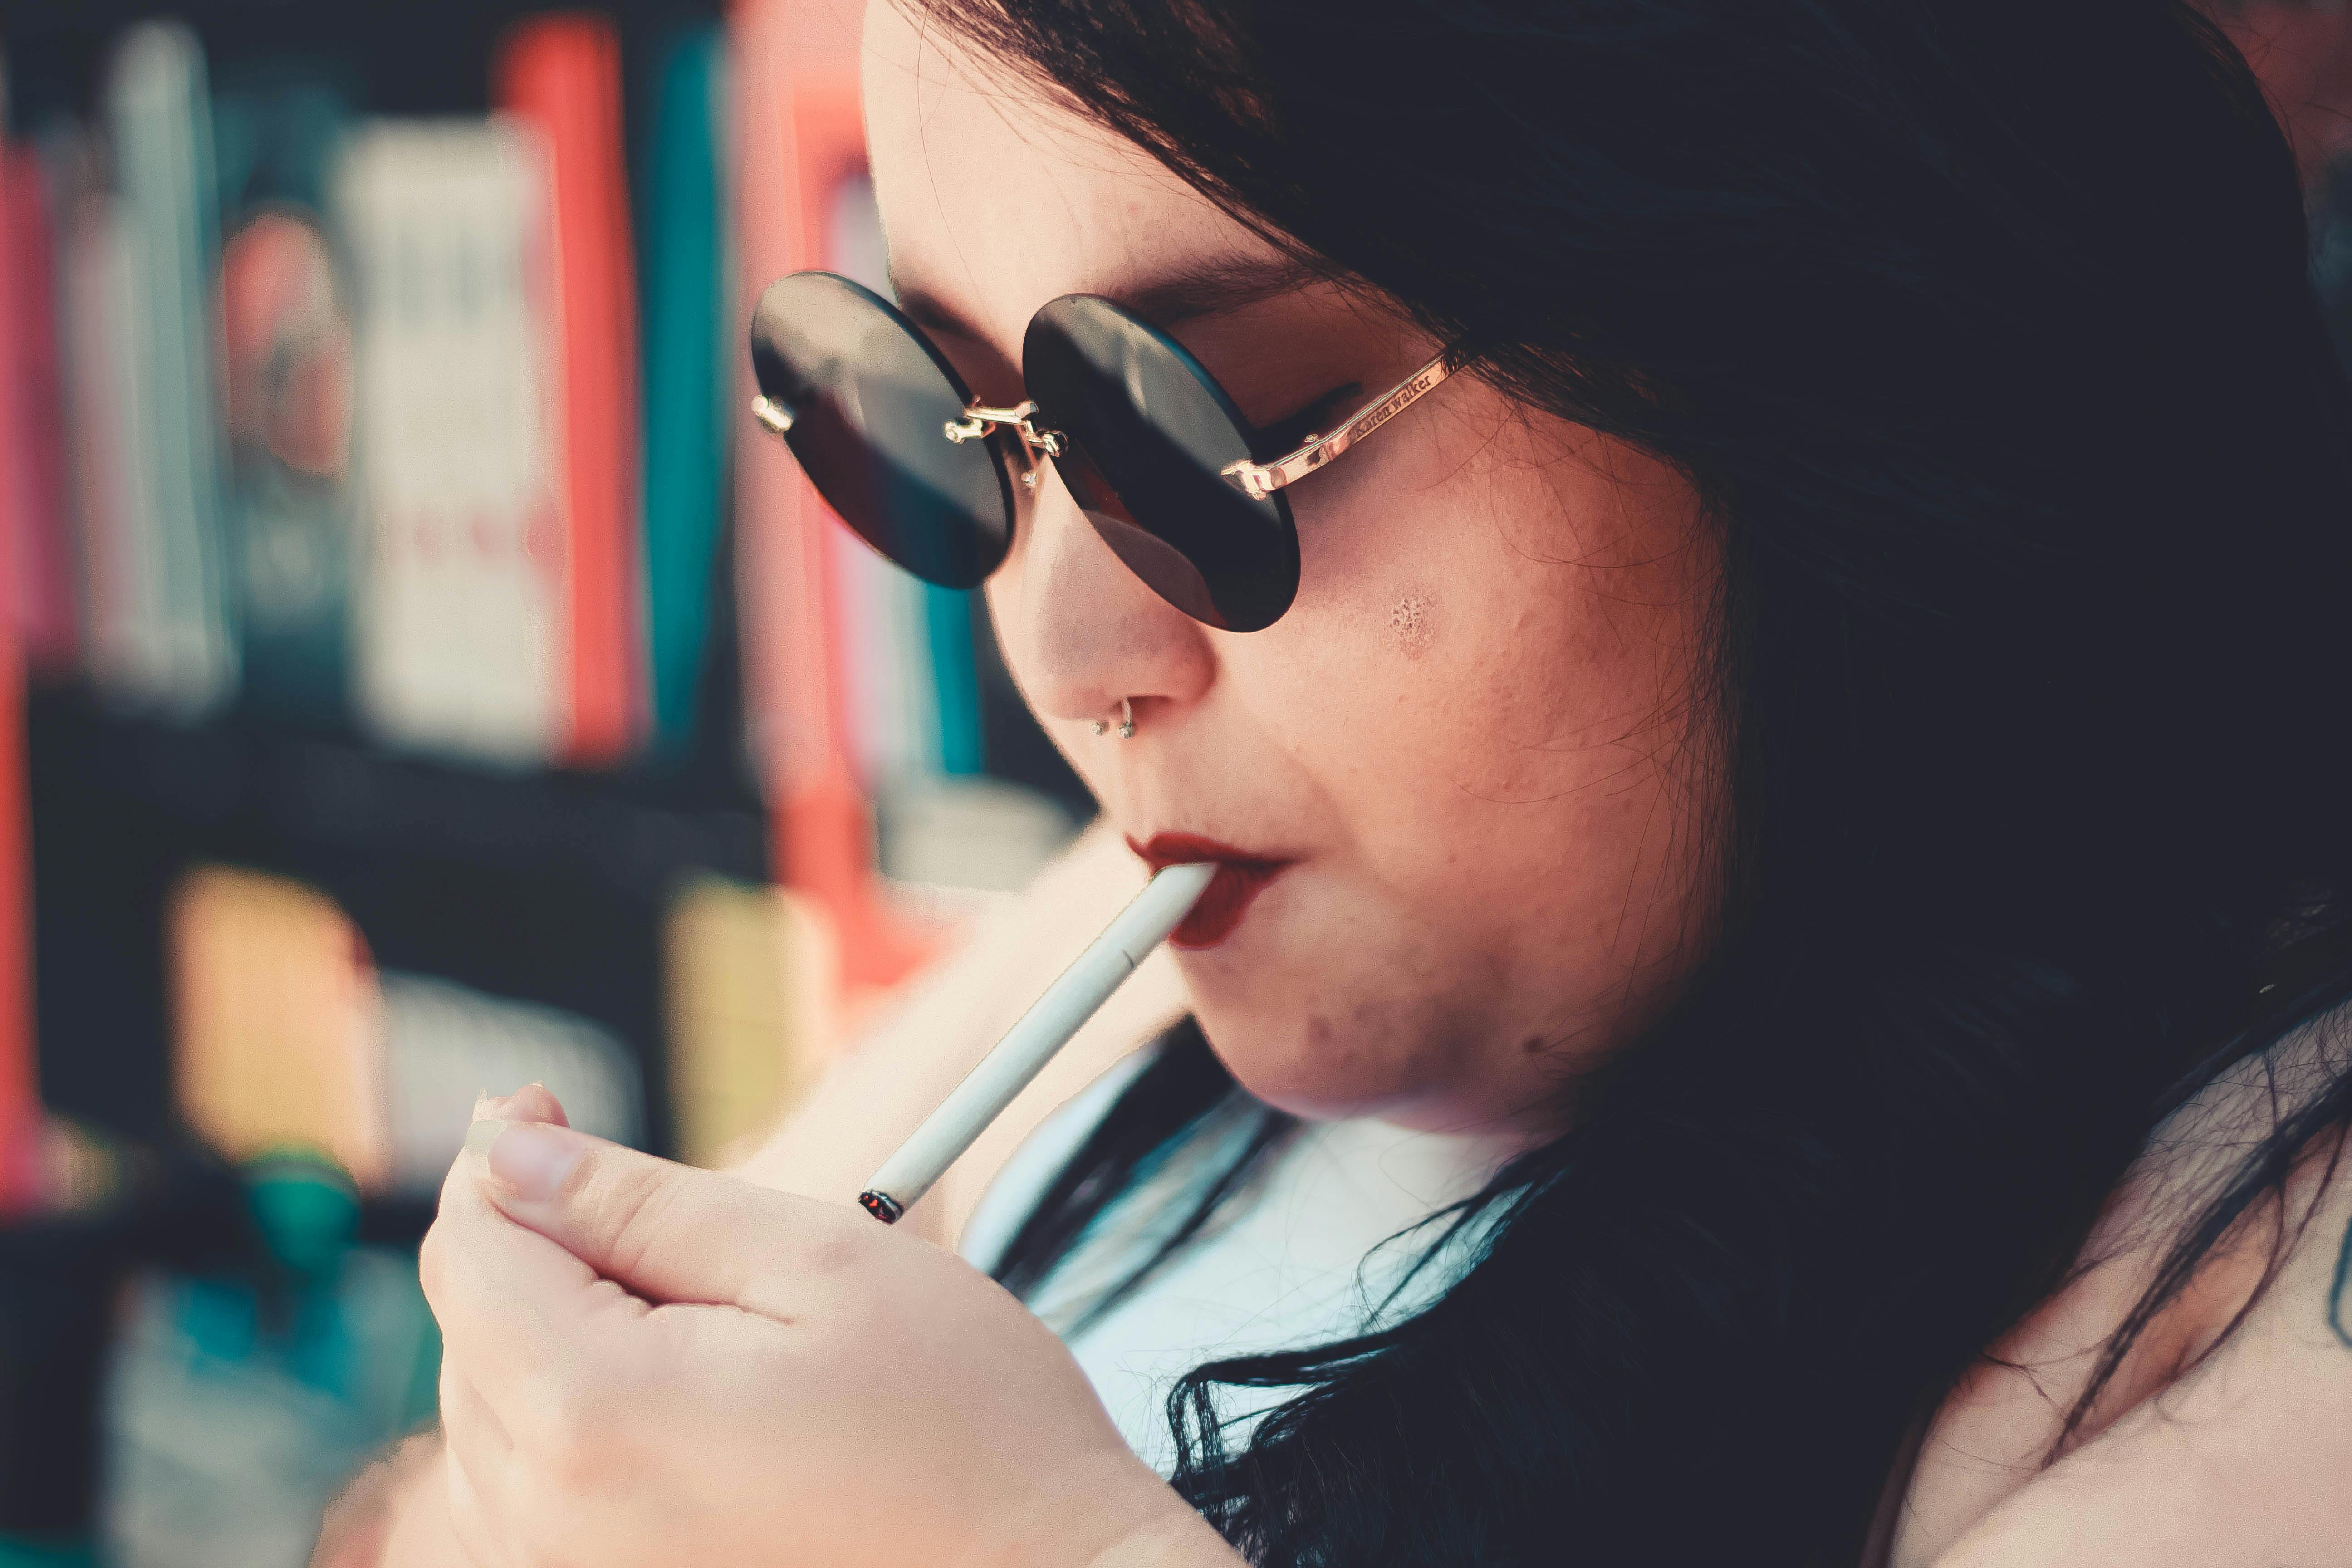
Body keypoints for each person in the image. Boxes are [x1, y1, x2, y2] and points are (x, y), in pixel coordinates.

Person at [317, 1, 2352, 1563]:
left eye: (1217, 432)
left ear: (1836, 359)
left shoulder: (2252, 1279)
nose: (1061, 651)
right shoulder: (1129, 963)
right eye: (949, 426)